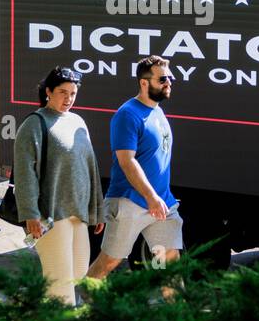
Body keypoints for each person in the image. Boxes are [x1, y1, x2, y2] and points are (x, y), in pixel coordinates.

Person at [14, 67, 106, 305]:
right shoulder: (35, 124)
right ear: (48, 92)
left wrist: (97, 210)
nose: (69, 98)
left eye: (73, 93)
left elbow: (91, 168)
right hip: (50, 215)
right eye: (63, 92)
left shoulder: (78, 121)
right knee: (59, 283)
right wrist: (30, 214)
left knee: (77, 273)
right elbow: (25, 173)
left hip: (78, 214)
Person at [87, 56, 181, 280]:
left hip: (162, 204)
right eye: (163, 79)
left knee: (170, 263)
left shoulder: (157, 111)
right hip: (130, 202)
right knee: (110, 261)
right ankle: (81, 304)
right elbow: (127, 161)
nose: (169, 83)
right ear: (144, 83)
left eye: (171, 78)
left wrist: (158, 199)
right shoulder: (127, 114)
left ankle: (175, 313)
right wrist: (150, 197)